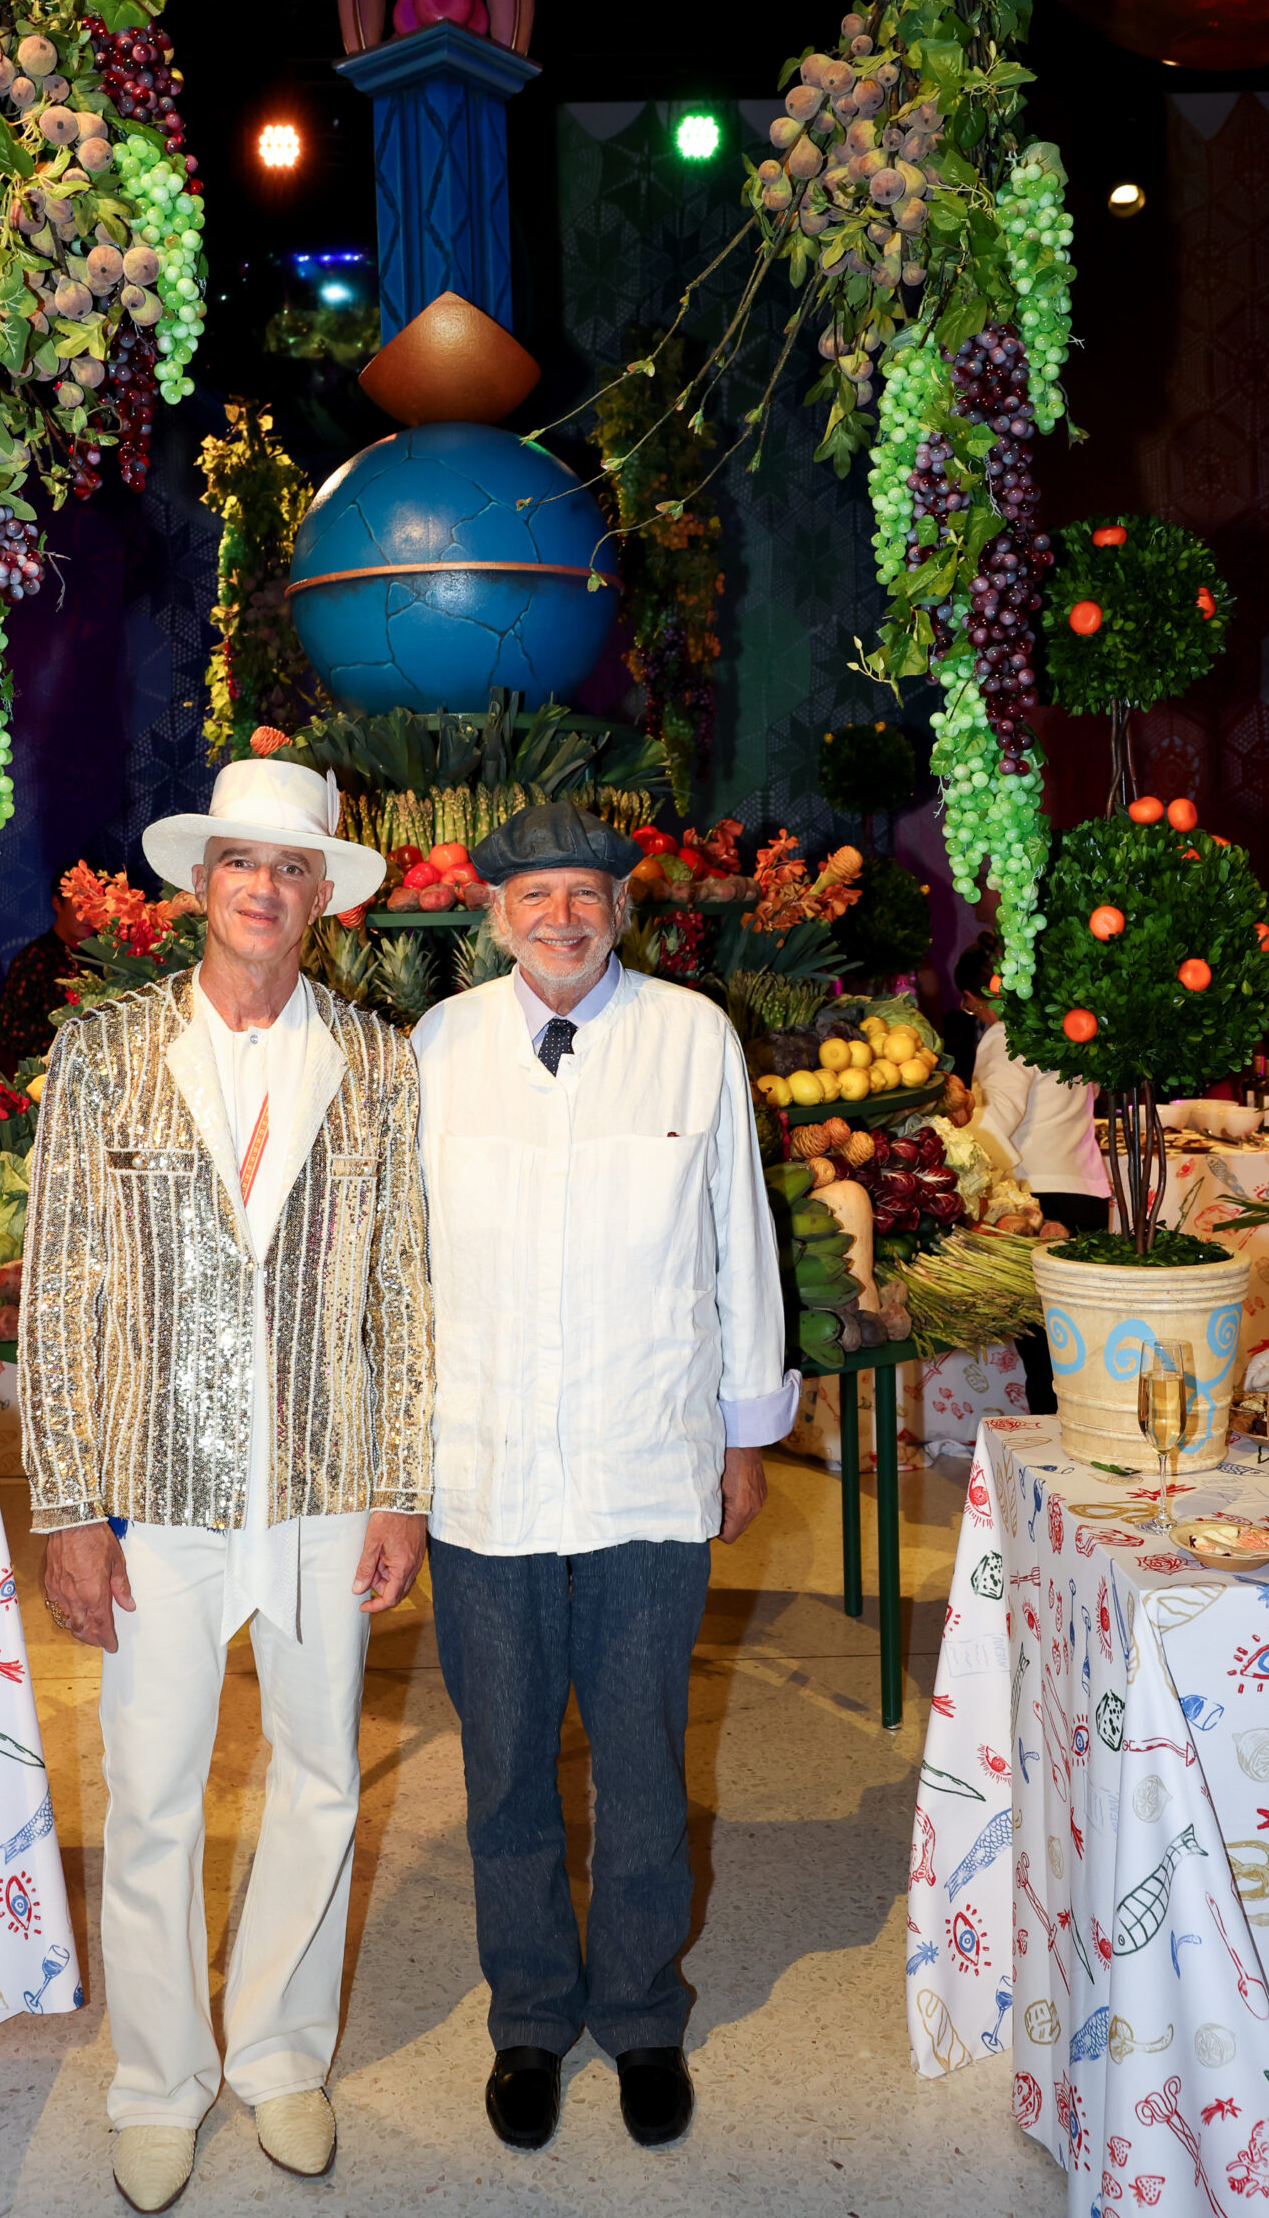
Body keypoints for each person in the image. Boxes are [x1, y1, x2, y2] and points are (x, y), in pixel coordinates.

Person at [19, 757, 434, 2212]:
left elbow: (404, 1283)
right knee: (150, 1791)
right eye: (242, 863)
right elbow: (58, 1290)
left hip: (325, 1482)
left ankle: (275, 2056)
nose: (266, 888)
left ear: (324, 899)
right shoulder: (104, 1050)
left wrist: (402, 1485)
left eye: (295, 867)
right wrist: (66, 1503)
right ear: (202, 886)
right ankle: (155, 2081)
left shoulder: (379, 1059)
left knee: (320, 1779)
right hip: (155, 1490)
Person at [411, 801, 793, 2157]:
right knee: (506, 1760)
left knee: (637, 1761)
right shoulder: (442, 1046)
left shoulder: (690, 1037)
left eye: (583, 894)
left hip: (644, 1458)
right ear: (493, 910)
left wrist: (742, 1432)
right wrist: (399, 1462)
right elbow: (406, 1272)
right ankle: (528, 2016)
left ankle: (637, 2014)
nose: (560, 917)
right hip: (486, 1468)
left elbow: (737, 1242)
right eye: (534, 896)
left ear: (619, 908)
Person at [956, 939, 1109, 1413]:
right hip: (1086, 1193)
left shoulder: (1008, 1035)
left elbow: (997, 1115)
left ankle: (1052, 1471)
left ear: (981, 998)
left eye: (970, 1005)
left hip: (1038, 1198)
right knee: (1081, 1349)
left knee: (1045, 1359)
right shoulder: (1071, 1028)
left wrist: (957, 1156)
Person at [0, 861, 103, 1074]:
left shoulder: (101, 957)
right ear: (57, 904)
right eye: (79, 905)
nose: (86, 915)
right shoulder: (35, 958)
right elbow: (10, 1032)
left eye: (93, 905)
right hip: (43, 1078)